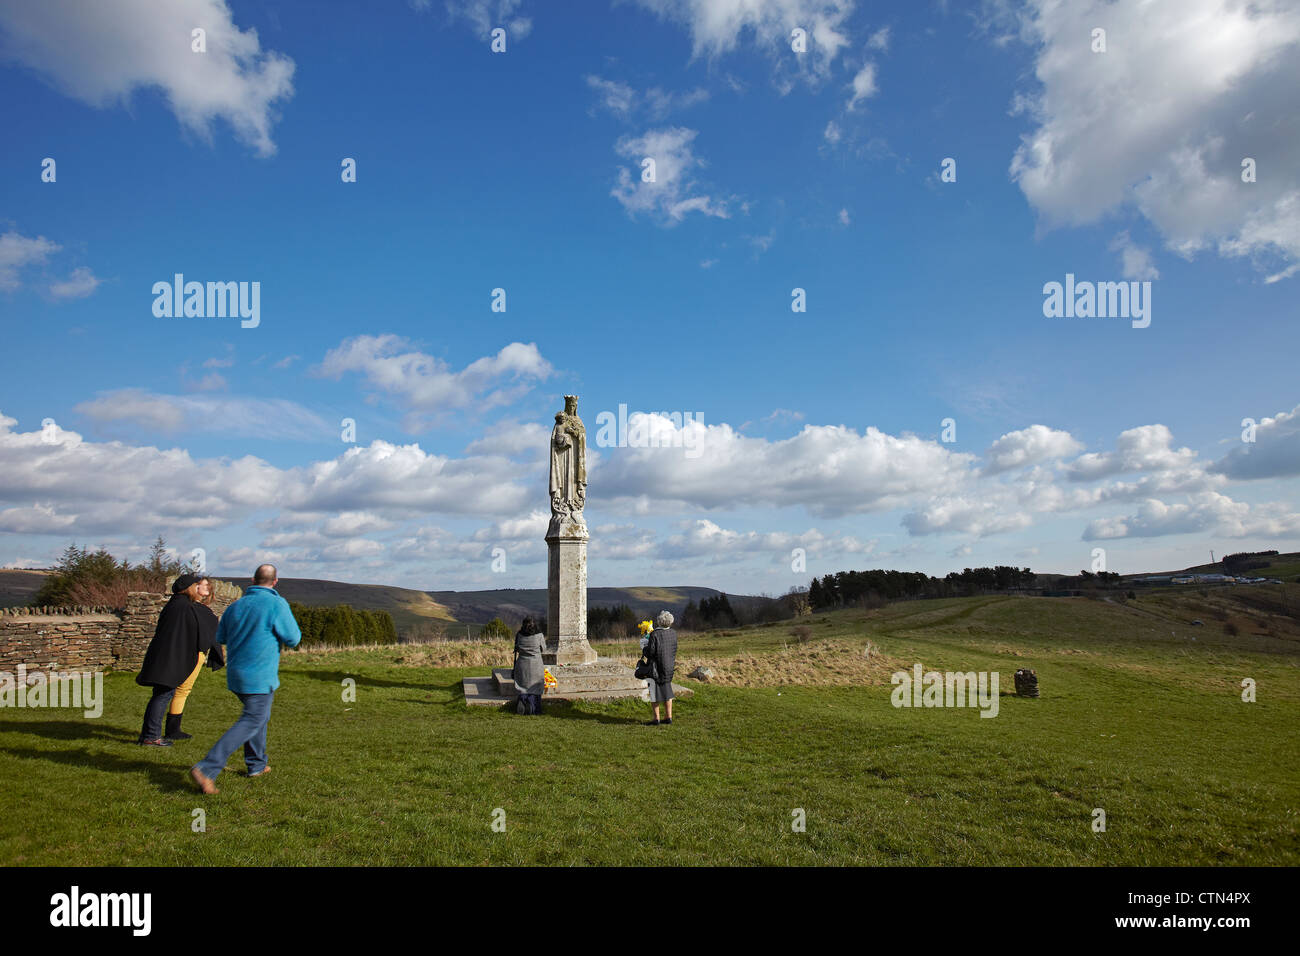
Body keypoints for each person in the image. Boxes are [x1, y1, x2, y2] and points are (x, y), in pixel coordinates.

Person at [189, 564, 301, 795]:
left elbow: (220, 636)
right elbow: (293, 638)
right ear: (275, 581)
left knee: (258, 715)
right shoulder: (276, 604)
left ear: (252, 580)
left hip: (236, 673)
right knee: (253, 718)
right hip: (260, 674)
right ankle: (207, 768)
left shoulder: (236, 606)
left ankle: (256, 765)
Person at [135, 573, 220, 747]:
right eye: (197, 586)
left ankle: (149, 735)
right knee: (163, 695)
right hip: (171, 658)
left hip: (168, 657)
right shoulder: (184, 607)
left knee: (162, 694)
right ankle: (151, 736)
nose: (201, 588)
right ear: (190, 588)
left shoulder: (178, 605)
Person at [164, 577, 224, 740]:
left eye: (208, 585)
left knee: (183, 690)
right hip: (192, 652)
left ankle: (173, 728)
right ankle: (171, 729)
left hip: (196, 653)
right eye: (202, 584)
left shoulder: (197, 608)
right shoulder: (191, 607)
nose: (207, 587)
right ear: (193, 588)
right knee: (179, 689)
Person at [644, 610, 678, 726]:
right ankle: (668, 716)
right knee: (667, 691)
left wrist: (644, 647)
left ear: (659, 621)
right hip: (669, 666)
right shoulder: (673, 633)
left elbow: (651, 652)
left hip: (655, 668)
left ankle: (656, 719)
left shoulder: (655, 634)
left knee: (654, 692)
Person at [512, 617, 546, 715]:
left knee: (523, 687)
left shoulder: (519, 635)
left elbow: (517, 648)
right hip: (536, 666)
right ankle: (533, 706)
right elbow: (543, 649)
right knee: (535, 689)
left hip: (522, 665)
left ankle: (522, 701)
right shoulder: (539, 635)